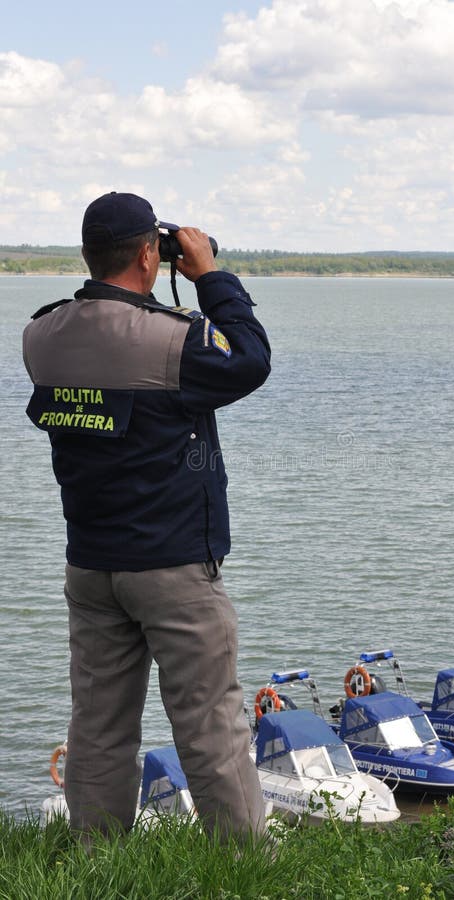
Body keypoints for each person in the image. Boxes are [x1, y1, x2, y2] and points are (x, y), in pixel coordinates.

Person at [22, 191, 271, 840]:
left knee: (99, 725)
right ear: (147, 254)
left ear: (85, 253)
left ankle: (98, 862)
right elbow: (249, 358)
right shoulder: (173, 341)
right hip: (173, 567)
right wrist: (211, 275)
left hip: (91, 566)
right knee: (208, 723)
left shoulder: (40, 337)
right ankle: (241, 873)